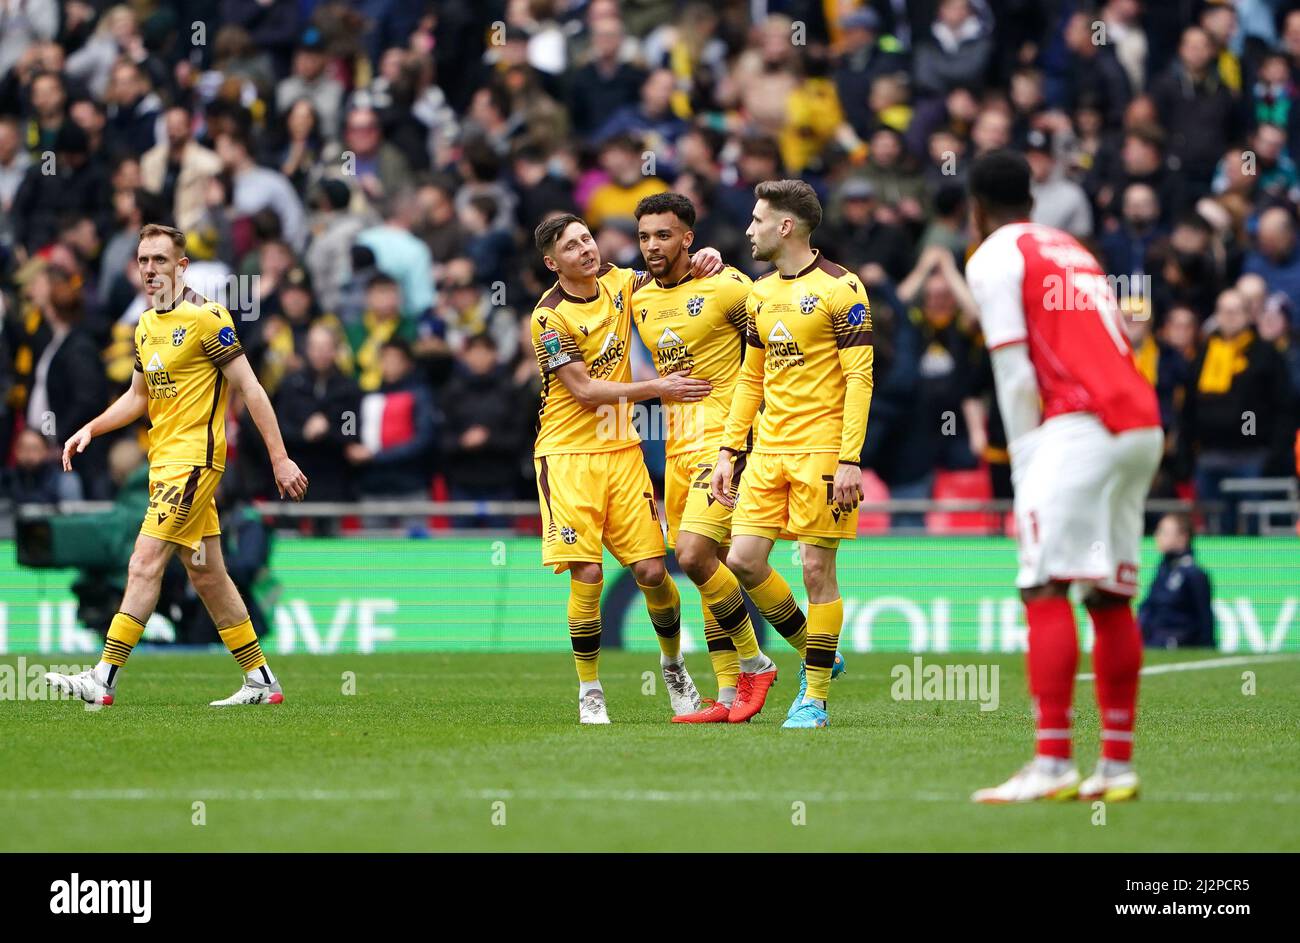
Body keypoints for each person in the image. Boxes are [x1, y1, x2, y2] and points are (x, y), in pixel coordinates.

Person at [964, 151, 1163, 803]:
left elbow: (1015, 372)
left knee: (1045, 584)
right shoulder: (1071, 248)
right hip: (1138, 420)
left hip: (1080, 427)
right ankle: (1117, 766)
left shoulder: (995, 255)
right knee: (1108, 594)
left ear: (975, 209)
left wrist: (1023, 456)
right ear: (1032, 196)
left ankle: (1051, 763)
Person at [48, 223, 309, 708]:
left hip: (195, 461)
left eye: (160, 260)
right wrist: (91, 428)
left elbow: (251, 389)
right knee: (208, 573)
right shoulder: (146, 325)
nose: (150, 270)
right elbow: (137, 396)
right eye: (144, 260)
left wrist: (280, 458)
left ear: (181, 266)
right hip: (163, 461)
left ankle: (102, 679)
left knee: (143, 562)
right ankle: (261, 680)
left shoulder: (207, 319)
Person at [528, 212, 723, 724]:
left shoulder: (623, 283)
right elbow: (586, 391)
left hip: (622, 450)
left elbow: (671, 279)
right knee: (588, 572)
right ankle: (590, 689)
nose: (585, 250)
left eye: (586, 239)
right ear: (553, 263)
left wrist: (708, 259)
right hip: (567, 455)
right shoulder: (549, 318)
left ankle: (674, 665)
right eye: (570, 248)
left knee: (653, 570)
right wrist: (658, 388)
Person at [710, 179, 873, 729]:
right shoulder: (758, 293)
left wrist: (850, 457)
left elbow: (859, 378)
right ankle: (817, 649)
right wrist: (730, 449)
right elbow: (750, 379)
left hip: (823, 453)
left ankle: (816, 698)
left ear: (786, 226)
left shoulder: (842, 289)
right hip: (768, 449)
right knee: (743, 561)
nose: (748, 229)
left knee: (814, 568)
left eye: (757, 220)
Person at [631, 192, 798, 723]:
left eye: (663, 235)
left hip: (723, 445)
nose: (652, 245)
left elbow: (778, 334)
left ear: (688, 237)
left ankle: (758, 662)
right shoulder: (635, 296)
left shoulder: (728, 286)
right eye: (644, 236)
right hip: (675, 450)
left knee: (694, 556)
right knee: (711, 572)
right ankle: (727, 697)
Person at [1138, 513, 1215, 648]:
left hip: (1177, 641)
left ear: (1182, 538)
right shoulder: (1163, 569)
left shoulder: (1194, 574)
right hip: (1153, 639)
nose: (1158, 536)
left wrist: (1207, 645)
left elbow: (1204, 617)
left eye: (1165, 532)